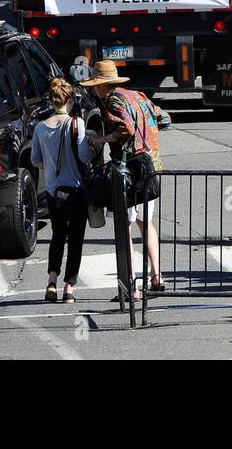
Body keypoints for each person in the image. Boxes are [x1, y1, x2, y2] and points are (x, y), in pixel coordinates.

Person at [81, 60, 166, 295]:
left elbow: (125, 129)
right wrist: (148, 135)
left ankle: (131, 286)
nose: (93, 89)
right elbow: (164, 118)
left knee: (125, 227)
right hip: (150, 166)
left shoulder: (114, 100)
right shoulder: (138, 96)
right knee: (146, 223)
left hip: (128, 170)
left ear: (101, 85)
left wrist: (101, 139)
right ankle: (156, 278)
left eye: (95, 85)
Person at [31, 78, 92, 304]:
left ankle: (51, 281)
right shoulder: (77, 124)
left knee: (58, 236)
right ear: (69, 100)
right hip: (76, 189)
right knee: (75, 239)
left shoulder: (39, 128)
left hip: (53, 191)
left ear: (52, 100)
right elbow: (84, 157)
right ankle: (69, 288)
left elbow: (35, 161)